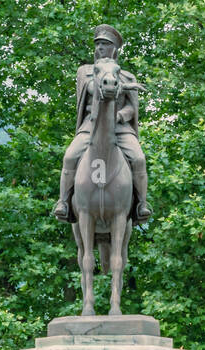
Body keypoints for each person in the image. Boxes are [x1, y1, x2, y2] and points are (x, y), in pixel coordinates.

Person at [52, 24, 151, 224]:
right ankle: (63, 202)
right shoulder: (86, 72)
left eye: (105, 45)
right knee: (70, 156)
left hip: (121, 129)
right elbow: (90, 88)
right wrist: (117, 86)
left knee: (139, 159)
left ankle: (141, 204)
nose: (100, 49)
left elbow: (132, 108)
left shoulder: (127, 76)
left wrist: (121, 116)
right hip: (91, 126)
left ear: (114, 49)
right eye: (97, 45)